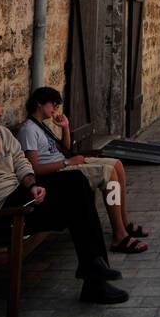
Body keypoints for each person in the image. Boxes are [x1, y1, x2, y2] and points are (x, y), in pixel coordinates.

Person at [0, 96, 128, 303]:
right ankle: (94, 276)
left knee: (76, 182)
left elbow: (21, 162)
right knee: (77, 205)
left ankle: (95, 268)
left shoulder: (1, 134)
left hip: (21, 197)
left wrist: (32, 185)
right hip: (0, 216)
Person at [18, 88, 148, 254]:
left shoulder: (41, 126)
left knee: (117, 165)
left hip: (66, 163)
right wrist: (67, 163)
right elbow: (34, 168)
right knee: (109, 173)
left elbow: (64, 149)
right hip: (58, 173)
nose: (55, 109)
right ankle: (119, 235)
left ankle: (124, 222)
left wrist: (65, 128)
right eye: (53, 104)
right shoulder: (28, 130)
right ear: (39, 103)